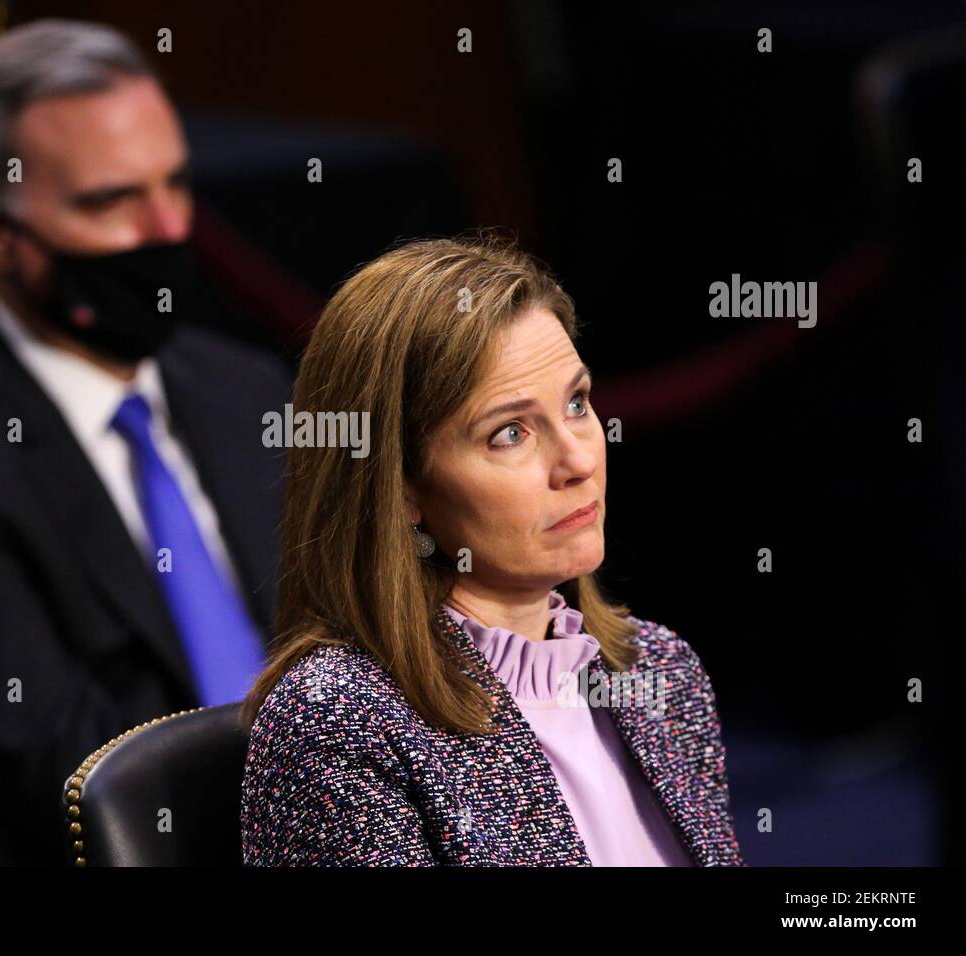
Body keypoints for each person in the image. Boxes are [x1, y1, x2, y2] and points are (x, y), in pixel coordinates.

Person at [0, 21, 292, 865]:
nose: (167, 227)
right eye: (109, 202)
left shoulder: (247, 389)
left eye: (175, 184)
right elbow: (76, 778)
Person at [240, 235, 744, 866]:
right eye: (510, 433)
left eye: (577, 403)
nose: (579, 460)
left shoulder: (660, 672)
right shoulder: (338, 724)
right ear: (401, 489)